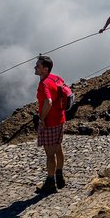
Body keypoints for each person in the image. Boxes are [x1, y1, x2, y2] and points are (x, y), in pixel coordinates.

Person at [34, 55, 68, 194]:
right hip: (60, 119)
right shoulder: (56, 78)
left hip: (50, 122)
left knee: (49, 154)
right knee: (58, 148)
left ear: (45, 69)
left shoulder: (44, 84)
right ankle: (60, 177)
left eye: (38, 66)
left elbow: (48, 101)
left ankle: (50, 182)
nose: (35, 68)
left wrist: (41, 119)